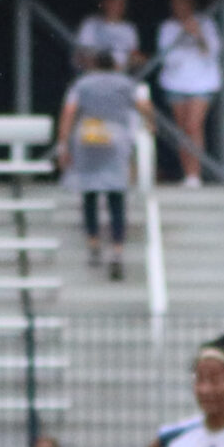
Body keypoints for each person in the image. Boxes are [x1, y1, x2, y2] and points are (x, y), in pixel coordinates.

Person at [56, 48, 150, 281]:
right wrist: (151, 123)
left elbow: (69, 112)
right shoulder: (125, 83)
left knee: (89, 192)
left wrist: (63, 143)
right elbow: (143, 106)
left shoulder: (82, 84)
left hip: (88, 135)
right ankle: (117, 249)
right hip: (115, 136)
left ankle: (94, 241)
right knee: (116, 195)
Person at [156, 0, 222, 189]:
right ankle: (187, 173)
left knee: (194, 126)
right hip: (176, 83)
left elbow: (213, 52)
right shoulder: (168, 27)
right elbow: (166, 59)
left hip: (202, 83)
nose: (179, 7)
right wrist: (182, 35)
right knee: (182, 130)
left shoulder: (206, 23)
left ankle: (195, 174)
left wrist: (198, 35)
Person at [73, 0, 140, 74]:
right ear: (105, 2)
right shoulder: (90, 24)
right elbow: (80, 54)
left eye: (121, 3)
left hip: (119, 75)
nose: (117, 6)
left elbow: (134, 55)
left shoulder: (129, 29)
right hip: (92, 74)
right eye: (113, 1)